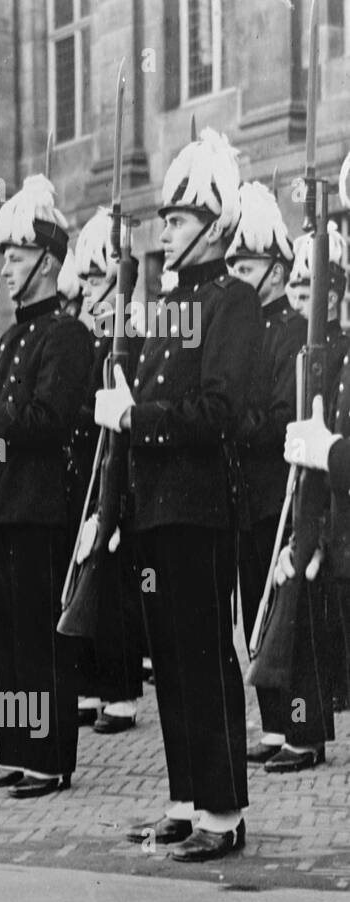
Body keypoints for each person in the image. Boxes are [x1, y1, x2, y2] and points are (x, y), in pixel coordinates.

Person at [98, 128, 260, 861]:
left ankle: (223, 813)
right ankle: (187, 798)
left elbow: (219, 411)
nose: (166, 228)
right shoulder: (166, 304)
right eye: (165, 217)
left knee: (202, 655)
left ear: (215, 224)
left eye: (180, 218)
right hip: (157, 505)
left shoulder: (232, 304)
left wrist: (139, 419)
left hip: (198, 505)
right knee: (168, 655)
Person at [0, 175, 90, 797]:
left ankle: (50, 758)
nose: (5, 268)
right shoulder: (10, 339)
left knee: (39, 641)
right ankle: (18, 747)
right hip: (5, 508)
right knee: (7, 642)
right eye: (4, 257)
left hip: (41, 508)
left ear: (48, 262)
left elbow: (46, 421)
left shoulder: (66, 336)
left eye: (16, 256)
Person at [222, 181, 308, 766]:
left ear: (277, 271)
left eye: (248, 265)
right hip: (246, 494)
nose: (240, 276)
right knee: (257, 611)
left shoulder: (292, 332)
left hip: (278, 492)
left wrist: (231, 424)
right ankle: (276, 727)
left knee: (286, 617)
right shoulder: (246, 328)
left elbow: (281, 417)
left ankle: (303, 730)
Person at [262, 224, 349, 773]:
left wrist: (329, 450)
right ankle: (302, 731)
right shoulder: (325, 356)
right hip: (330, 513)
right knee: (310, 629)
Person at [69, 206, 145, 734]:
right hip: (87, 474)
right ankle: (95, 683)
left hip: (122, 477)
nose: (92, 287)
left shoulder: (131, 339)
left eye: (100, 277)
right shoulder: (91, 340)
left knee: (116, 584)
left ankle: (121, 693)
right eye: (89, 277)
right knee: (90, 576)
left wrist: (113, 501)